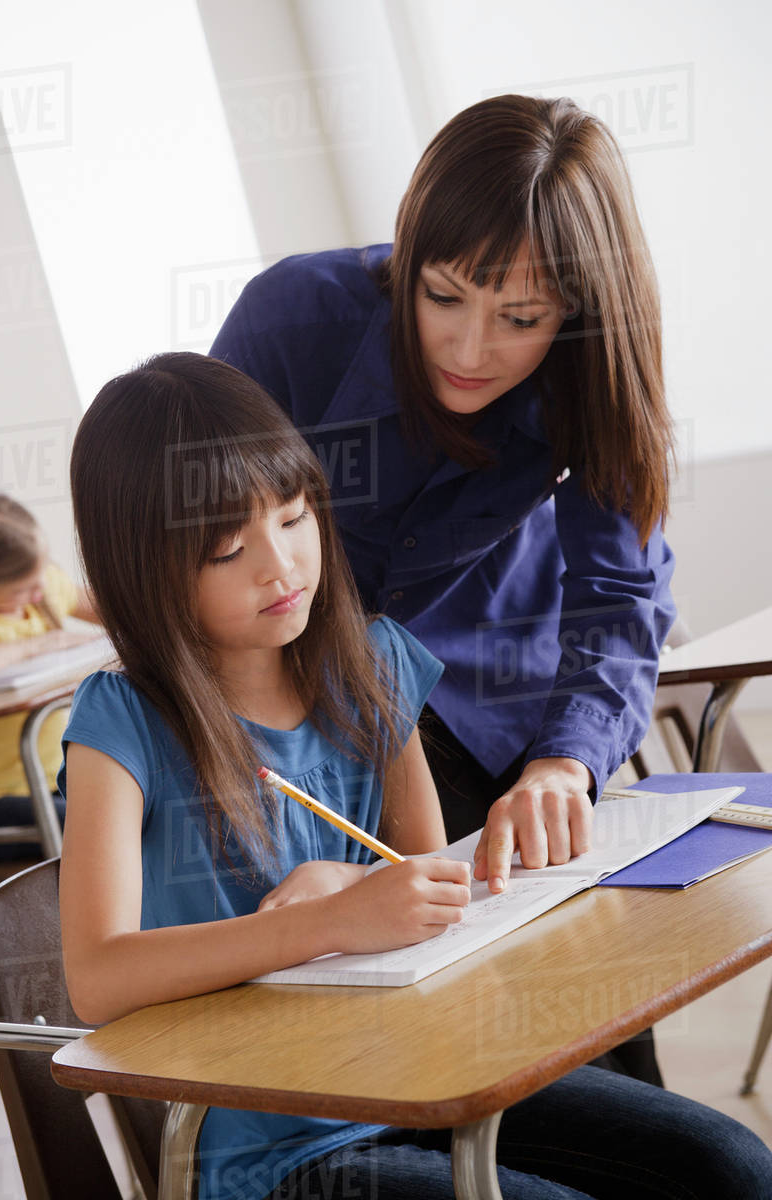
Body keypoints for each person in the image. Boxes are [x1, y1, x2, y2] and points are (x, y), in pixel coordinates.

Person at [58, 353, 772, 1200]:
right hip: (278, 1147)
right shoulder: (122, 721)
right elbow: (97, 977)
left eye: (292, 519)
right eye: (227, 549)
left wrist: (362, 888)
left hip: (427, 1071)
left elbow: (435, 892)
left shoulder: (373, 664)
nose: (280, 567)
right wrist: (324, 920)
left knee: (728, 1163)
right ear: (144, 569)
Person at [210, 93, 676, 1083]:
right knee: (419, 1035)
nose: (469, 351)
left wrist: (565, 761)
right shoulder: (293, 320)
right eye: (442, 296)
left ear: (577, 314)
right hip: (282, 709)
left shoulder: (589, 377)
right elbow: (182, 553)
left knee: (584, 988)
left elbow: (620, 594)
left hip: (484, 695)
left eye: (520, 320)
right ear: (407, 258)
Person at [0, 491, 99, 863]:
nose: (39, 592)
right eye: (21, 589)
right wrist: (37, 645)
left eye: (41, 574)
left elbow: (121, 612)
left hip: (54, 780)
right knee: (98, 828)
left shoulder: (42, 591)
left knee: (148, 807)